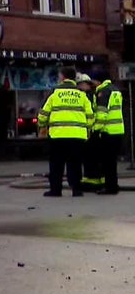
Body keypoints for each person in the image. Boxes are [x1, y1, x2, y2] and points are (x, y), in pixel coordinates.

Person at [37, 66, 94, 197]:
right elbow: (90, 116)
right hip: (77, 136)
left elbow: (43, 114)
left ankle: (56, 190)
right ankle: (76, 189)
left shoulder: (54, 93)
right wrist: (86, 129)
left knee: (56, 165)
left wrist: (42, 126)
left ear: (62, 77)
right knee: (75, 164)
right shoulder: (82, 95)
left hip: (57, 135)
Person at [92, 74, 125, 195]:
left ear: (98, 81)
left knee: (107, 163)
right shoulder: (115, 90)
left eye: (93, 81)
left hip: (107, 131)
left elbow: (102, 114)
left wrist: (95, 130)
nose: (93, 84)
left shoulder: (103, 92)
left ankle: (110, 187)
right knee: (112, 162)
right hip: (118, 130)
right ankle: (113, 185)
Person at [77, 74, 104, 191]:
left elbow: (89, 114)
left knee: (90, 158)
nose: (79, 87)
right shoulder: (94, 94)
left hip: (90, 131)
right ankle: (95, 180)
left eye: (80, 84)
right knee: (93, 158)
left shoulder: (87, 96)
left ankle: (91, 182)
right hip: (93, 130)